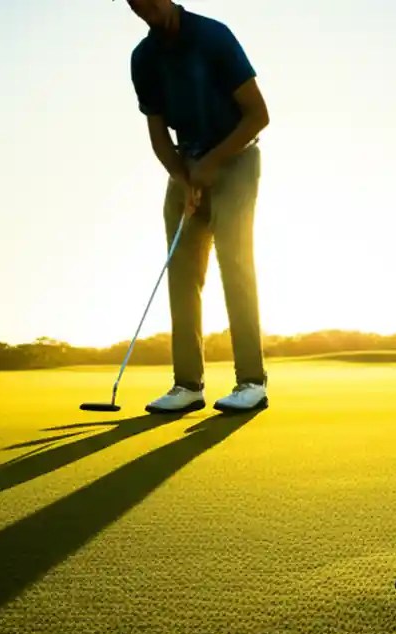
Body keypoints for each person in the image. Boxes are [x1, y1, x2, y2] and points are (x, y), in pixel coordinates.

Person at [123, 0, 270, 413]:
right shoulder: (143, 58)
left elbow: (258, 115)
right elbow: (157, 136)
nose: (139, 5)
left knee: (236, 263)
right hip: (186, 166)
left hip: (236, 157)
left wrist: (212, 164)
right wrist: (184, 175)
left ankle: (252, 382)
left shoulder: (212, 35)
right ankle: (188, 386)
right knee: (182, 274)